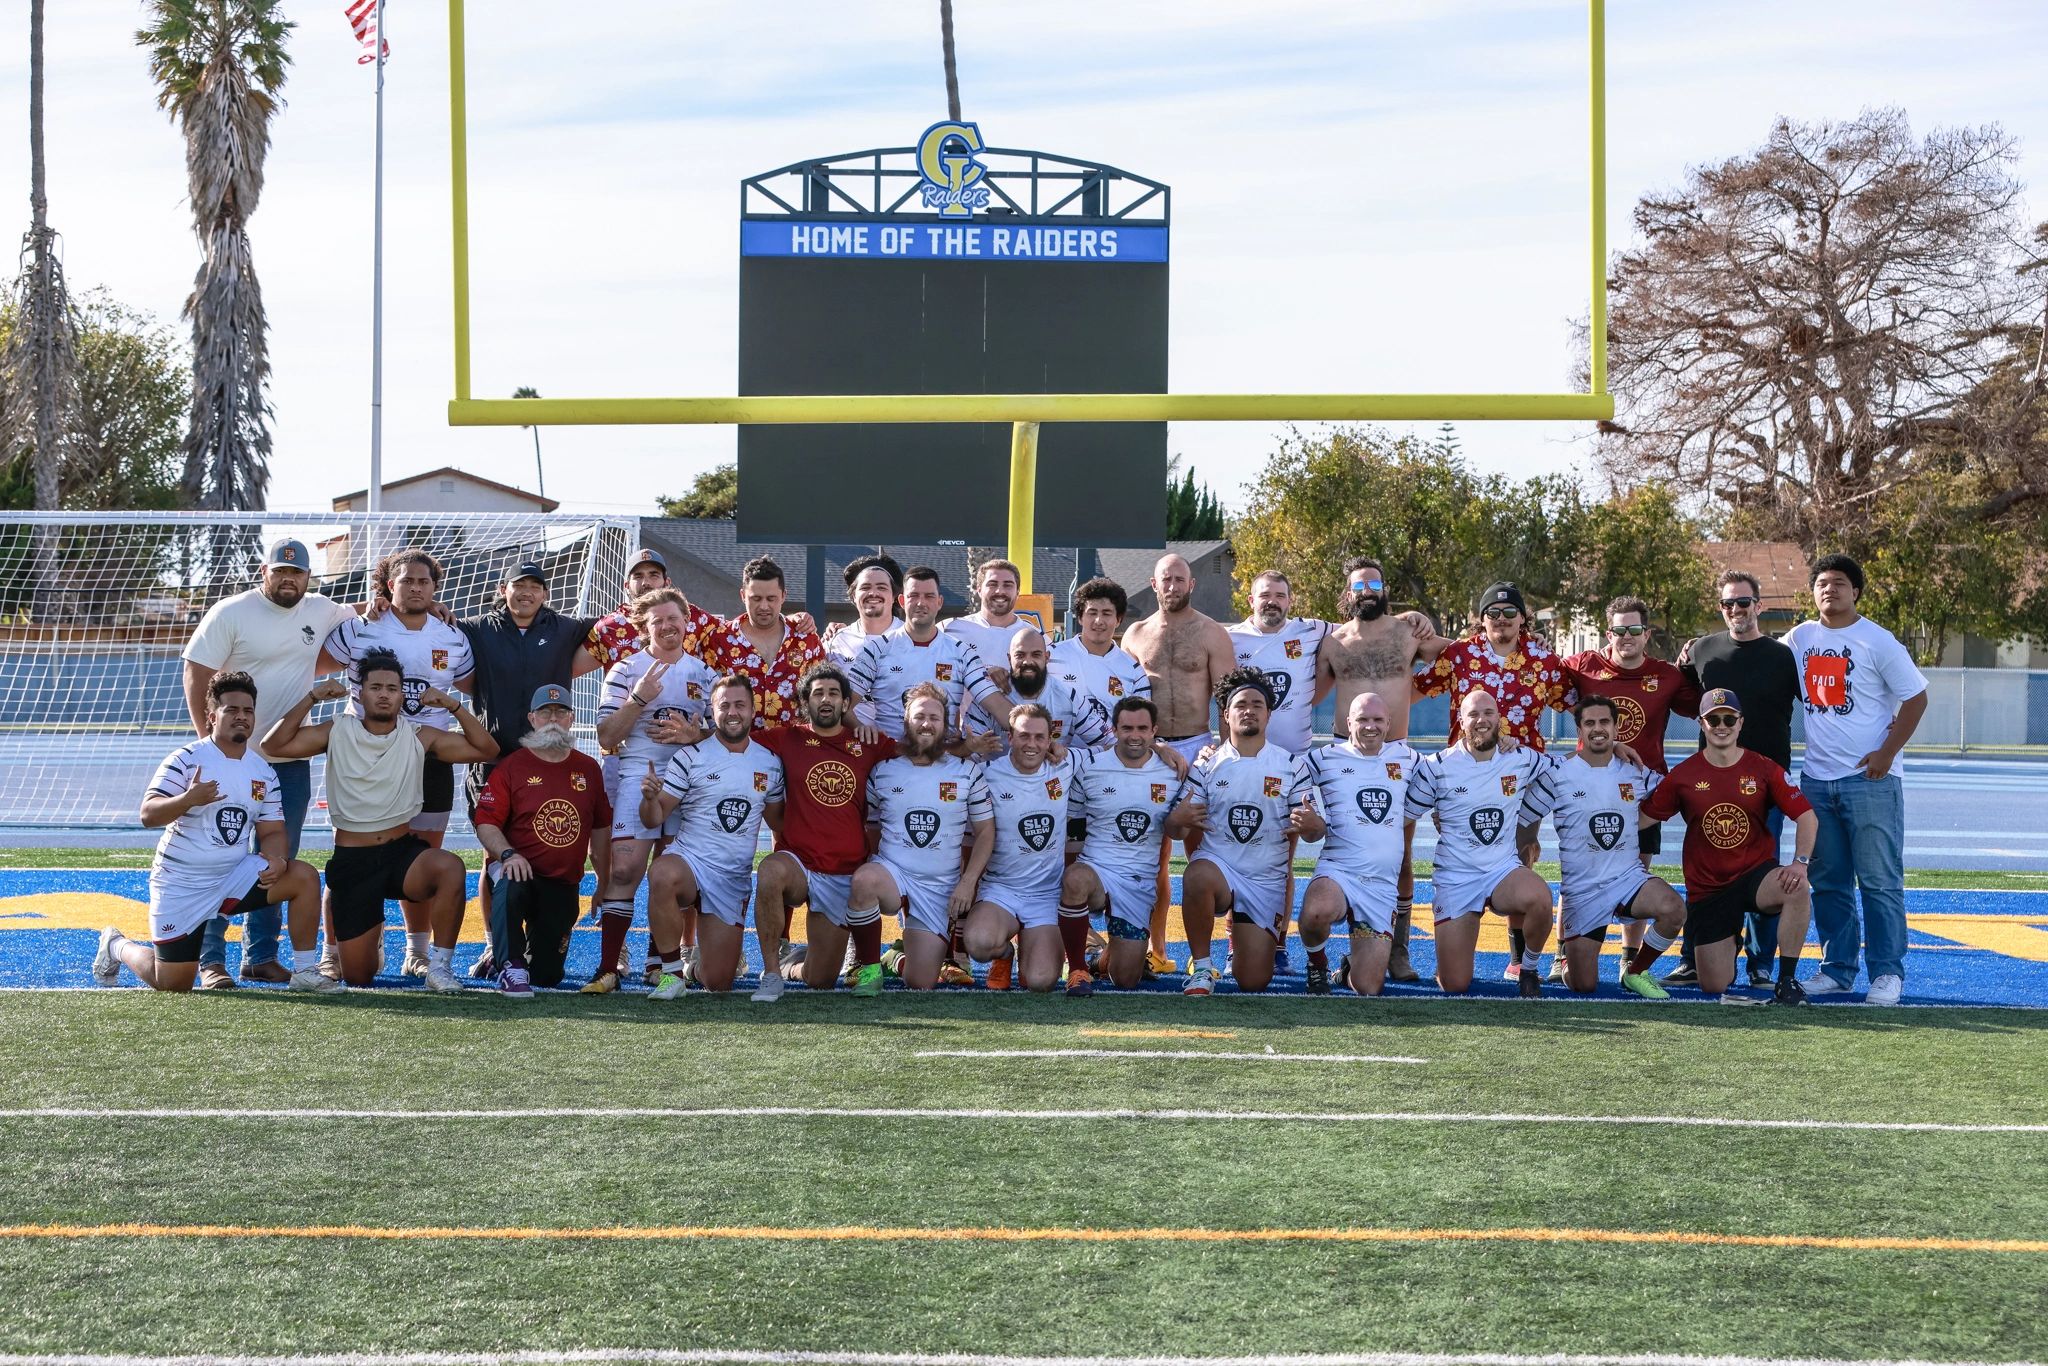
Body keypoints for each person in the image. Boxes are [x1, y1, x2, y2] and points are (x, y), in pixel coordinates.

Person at [179, 537, 358, 988]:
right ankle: (211, 960)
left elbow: (369, 614)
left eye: (296, 573)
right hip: (233, 758)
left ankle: (260, 956)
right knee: (220, 855)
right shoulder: (232, 611)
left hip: (285, 759)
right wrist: (210, 746)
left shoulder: (320, 610)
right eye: (281, 571)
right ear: (265, 572)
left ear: (308, 577)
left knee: (278, 858)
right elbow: (197, 669)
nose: (288, 579)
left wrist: (435, 613)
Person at [262, 651, 498, 989]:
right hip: (353, 859)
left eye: (392, 687)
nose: (384, 694)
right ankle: (369, 939)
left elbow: (486, 750)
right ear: (360, 693)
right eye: (375, 687)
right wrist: (312, 696)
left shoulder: (420, 735)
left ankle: (440, 967)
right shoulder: (337, 730)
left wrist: (452, 705)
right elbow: (275, 744)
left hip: (400, 853)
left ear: (403, 695)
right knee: (360, 977)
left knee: (450, 867)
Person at [93, 671, 335, 995]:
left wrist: (277, 858)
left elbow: (274, 830)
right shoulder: (186, 759)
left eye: (247, 711)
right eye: (231, 710)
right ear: (211, 717)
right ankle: (117, 945)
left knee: (302, 875)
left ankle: (305, 971)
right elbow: (147, 814)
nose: (241, 717)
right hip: (182, 882)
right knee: (173, 984)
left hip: (233, 876)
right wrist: (188, 799)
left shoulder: (263, 771)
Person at [318, 548, 476, 977]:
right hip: (364, 755)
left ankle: (417, 950)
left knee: (425, 857)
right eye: (406, 580)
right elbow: (310, 665)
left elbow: (475, 684)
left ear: (435, 588)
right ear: (390, 585)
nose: (416, 588)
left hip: (428, 755)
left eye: (424, 582)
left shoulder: (452, 637)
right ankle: (332, 951)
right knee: (346, 857)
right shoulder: (360, 627)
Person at [1783, 554, 1928, 1006]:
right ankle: (1838, 969)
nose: (1830, 590)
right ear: (1812, 592)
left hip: (1869, 779)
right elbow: (1757, 658)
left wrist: (1887, 753)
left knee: (1880, 881)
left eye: (1840, 583)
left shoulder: (1877, 641)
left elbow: (1917, 699)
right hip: (1817, 781)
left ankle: (1887, 973)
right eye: (1822, 583)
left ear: (1856, 591)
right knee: (1829, 882)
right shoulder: (1800, 637)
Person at [450, 561, 608, 975]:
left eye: (536, 586)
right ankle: (493, 945)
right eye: (520, 585)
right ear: (504, 589)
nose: (527, 593)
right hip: (495, 761)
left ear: (545, 594)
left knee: (554, 842)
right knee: (494, 858)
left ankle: (543, 937)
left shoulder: (565, 628)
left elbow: (622, 623)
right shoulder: (477, 628)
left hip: (552, 758)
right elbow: (435, 621)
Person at [1415, 582, 1577, 980]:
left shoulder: (1544, 659)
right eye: (1493, 614)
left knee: (1521, 857)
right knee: (1465, 849)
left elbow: (1581, 700)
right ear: (1481, 619)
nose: (1501, 621)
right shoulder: (1459, 655)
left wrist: (1611, 744)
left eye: (1510, 614)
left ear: (1523, 618)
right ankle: (1458, 920)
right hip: (1464, 779)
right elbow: (1414, 686)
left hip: (1521, 780)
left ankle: (1519, 960)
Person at [1316, 556, 1448, 984]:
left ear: (1385, 588)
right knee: (1344, 851)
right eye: (1359, 586)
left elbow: (1462, 657)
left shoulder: (1408, 631)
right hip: (1344, 755)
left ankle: (1397, 949)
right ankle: (1351, 947)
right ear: (1347, 593)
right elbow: (1305, 692)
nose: (1367, 592)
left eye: (1374, 584)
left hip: (1395, 755)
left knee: (1401, 855)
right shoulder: (1333, 641)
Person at [1553, 596, 1700, 980]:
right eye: (1619, 630)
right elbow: (1540, 677)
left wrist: (1696, 659)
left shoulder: (1667, 675)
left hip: (1642, 790)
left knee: (1635, 871)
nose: (1627, 636)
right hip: (1588, 786)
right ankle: (1561, 955)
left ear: (1647, 633)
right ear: (1608, 633)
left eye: (1635, 629)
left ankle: (1628, 959)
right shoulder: (1584, 665)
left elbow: (1703, 705)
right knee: (1578, 871)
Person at [1640, 688, 1818, 1005]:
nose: (1721, 725)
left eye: (1728, 719)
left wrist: (1799, 862)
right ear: (1701, 723)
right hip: (1709, 890)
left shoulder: (1764, 768)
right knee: (1714, 985)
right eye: (1713, 719)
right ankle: (1729, 941)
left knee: (1797, 887)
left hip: (1755, 876)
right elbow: (1645, 817)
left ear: (1740, 722)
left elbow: (1806, 816)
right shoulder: (1684, 775)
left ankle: (1787, 980)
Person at [1673, 570, 1801, 986]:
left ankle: (1761, 962)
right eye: (1728, 604)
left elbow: (1824, 705)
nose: (1736, 611)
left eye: (1743, 603)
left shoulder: (1784, 657)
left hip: (1768, 785)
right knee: (1704, 867)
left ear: (1759, 606)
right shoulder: (1702, 650)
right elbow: (1677, 696)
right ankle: (1695, 954)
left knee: (1767, 870)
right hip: (1712, 783)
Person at [586, 588, 715, 994]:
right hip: (636, 779)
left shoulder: (704, 673)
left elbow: (723, 735)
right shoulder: (625, 669)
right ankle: (608, 968)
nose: (667, 626)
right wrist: (639, 698)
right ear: (644, 626)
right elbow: (606, 734)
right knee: (623, 870)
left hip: (688, 786)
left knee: (673, 876)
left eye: (673, 618)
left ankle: (659, 961)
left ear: (686, 621)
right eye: (657, 620)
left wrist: (697, 734)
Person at [1167, 669, 1323, 996]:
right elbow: (1176, 830)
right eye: (1240, 705)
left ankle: (1242, 941)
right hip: (1220, 867)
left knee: (1253, 981)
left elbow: (1314, 831)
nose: (1248, 710)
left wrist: (1311, 826)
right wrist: (1177, 819)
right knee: (1196, 874)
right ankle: (1203, 966)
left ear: (1269, 714)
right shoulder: (1207, 764)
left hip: (1264, 879)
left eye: (1257, 704)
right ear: (1225, 714)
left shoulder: (1290, 764)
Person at [1518, 695, 1686, 998]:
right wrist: (1524, 848)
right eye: (1590, 723)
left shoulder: (1635, 771)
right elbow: (1523, 816)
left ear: (1616, 727)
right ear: (1579, 730)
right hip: (1583, 892)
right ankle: (1569, 956)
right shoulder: (1558, 773)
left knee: (1674, 909)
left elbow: (1678, 793)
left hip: (1628, 879)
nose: (1598, 729)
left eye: (1605, 722)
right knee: (1584, 986)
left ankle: (1635, 971)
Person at [754, 664, 899, 997]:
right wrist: (693, 737)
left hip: (843, 871)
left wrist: (965, 747)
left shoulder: (867, 742)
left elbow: (919, 751)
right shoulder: (788, 737)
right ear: (806, 701)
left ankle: (793, 963)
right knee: (770, 871)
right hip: (799, 863)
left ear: (846, 703)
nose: (826, 699)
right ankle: (772, 974)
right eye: (818, 693)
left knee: (819, 979)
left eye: (834, 693)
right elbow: (732, 741)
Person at [638, 675, 787, 1000]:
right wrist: (649, 799)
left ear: (752, 709)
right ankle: (671, 973)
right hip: (691, 862)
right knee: (662, 873)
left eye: (739, 705)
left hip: (731, 877)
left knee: (718, 982)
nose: (732, 712)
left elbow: (780, 822)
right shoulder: (690, 756)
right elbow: (655, 816)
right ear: (712, 711)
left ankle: (694, 969)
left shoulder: (770, 763)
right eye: (724, 706)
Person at [1121, 553, 1236, 972]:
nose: (1172, 586)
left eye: (1180, 579)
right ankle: (1157, 950)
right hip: (1147, 752)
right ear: (1154, 584)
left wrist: (1228, 758)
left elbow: (1228, 701)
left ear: (1192, 584)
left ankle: (1205, 954)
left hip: (1197, 750)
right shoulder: (1134, 634)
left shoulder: (1211, 633)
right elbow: (1127, 702)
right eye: (1165, 579)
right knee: (1152, 857)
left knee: (1204, 857)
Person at [1403, 690, 1555, 997]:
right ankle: (1448, 961)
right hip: (1457, 877)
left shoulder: (1520, 757)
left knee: (1540, 897)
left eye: (1488, 713)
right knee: (1455, 984)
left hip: (1502, 870)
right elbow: (1404, 813)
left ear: (1499, 719)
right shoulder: (1437, 766)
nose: (1481, 720)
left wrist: (1527, 813)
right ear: (1461, 721)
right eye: (1473, 714)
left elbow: (1566, 772)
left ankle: (1527, 968)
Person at [848, 683, 995, 990]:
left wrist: (967, 882)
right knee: (864, 880)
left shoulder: (967, 772)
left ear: (946, 725)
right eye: (919, 716)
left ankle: (895, 959)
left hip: (939, 887)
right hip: (894, 873)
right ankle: (870, 969)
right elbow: (864, 823)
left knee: (920, 982)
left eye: (934, 717)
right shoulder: (884, 770)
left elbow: (985, 833)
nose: (926, 723)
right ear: (906, 721)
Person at [471, 684, 612, 1000]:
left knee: (548, 976)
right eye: (545, 712)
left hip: (561, 882)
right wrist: (508, 854)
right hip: (521, 873)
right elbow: (486, 822)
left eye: (560, 712)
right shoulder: (512, 766)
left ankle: (520, 961)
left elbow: (601, 829)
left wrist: (603, 880)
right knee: (509, 879)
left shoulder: (588, 769)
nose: (553, 718)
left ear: (571, 718)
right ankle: (510, 964)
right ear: (532, 718)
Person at [1298, 693, 1418, 996]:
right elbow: (1280, 771)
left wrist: (1504, 745)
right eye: (1363, 719)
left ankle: (1350, 966)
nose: (1370, 726)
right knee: (1316, 911)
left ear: (1389, 723)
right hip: (1339, 871)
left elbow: (1453, 770)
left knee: (1367, 988)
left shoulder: (1407, 757)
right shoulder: (1323, 757)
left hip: (1381, 885)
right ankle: (1317, 964)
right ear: (1348, 722)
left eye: (1378, 720)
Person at [1062, 697, 1186, 991]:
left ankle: (1099, 959)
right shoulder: (1090, 766)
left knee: (1126, 979)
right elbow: (1074, 827)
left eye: (1142, 728)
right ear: (1114, 729)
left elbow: (1178, 832)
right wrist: (1065, 879)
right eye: (1127, 728)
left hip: (1138, 882)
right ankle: (1078, 969)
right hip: (1097, 870)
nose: (1134, 735)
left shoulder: (1173, 772)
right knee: (1075, 879)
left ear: (1154, 730)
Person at [962, 705, 1077, 993]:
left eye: (1040, 737)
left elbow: (1115, 751)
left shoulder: (1066, 764)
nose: (1032, 744)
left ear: (1051, 739)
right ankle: (1004, 954)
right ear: (1010, 737)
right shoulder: (986, 774)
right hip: (1002, 890)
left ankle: (1034, 945)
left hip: (1046, 893)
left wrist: (1164, 749)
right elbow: (942, 763)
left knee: (1040, 981)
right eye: (1024, 736)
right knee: (978, 944)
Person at [847, 566, 1011, 740]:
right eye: (914, 596)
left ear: (939, 602)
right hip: (890, 759)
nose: (921, 603)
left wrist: (1036, 734)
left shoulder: (962, 653)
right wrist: (862, 730)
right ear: (902, 601)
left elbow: (998, 706)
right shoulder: (876, 649)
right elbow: (843, 707)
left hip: (944, 759)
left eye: (929, 596)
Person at [1226, 571, 1331, 757]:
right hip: (1247, 757)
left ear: (1290, 601)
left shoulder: (1311, 629)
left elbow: (1360, 630)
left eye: (1280, 596)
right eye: (1265, 595)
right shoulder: (1230, 638)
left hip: (1298, 757)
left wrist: (1397, 622)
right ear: (1251, 600)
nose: (1272, 601)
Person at [963, 627, 1112, 754]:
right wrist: (971, 747)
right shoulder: (991, 695)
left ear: (1047, 658)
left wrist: (1071, 755)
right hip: (999, 785)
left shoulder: (1069, 696)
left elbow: (1110, 744)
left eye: (1036, 654)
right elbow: (964, 750)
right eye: (1020, 655)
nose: (1028, 662)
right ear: (1009, 659)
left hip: (1053, 784)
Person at [1050, 576, 1151, 721]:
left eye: (1106, 613)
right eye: (1092, 613)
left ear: (1118, 620)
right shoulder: (1051, 656)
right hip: (1055, 744)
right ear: (1079, 618)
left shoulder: (1134, 672)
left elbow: (1140, 724)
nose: (1098, 621)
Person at [943, 558, 1032, 685]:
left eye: (1007, 585)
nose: (1000, 591)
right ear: (979, 589)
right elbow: (939, 678)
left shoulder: (1036, 636)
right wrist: (982, 676)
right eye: (992, 584)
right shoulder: (950, 629)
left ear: (1017, 591)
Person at [824, 554, 905, 665]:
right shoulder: (837, 641)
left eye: (881, 587)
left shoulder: (911, 638)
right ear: (853, 596)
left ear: (894, 596)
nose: (873, 593)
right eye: (865, 587)